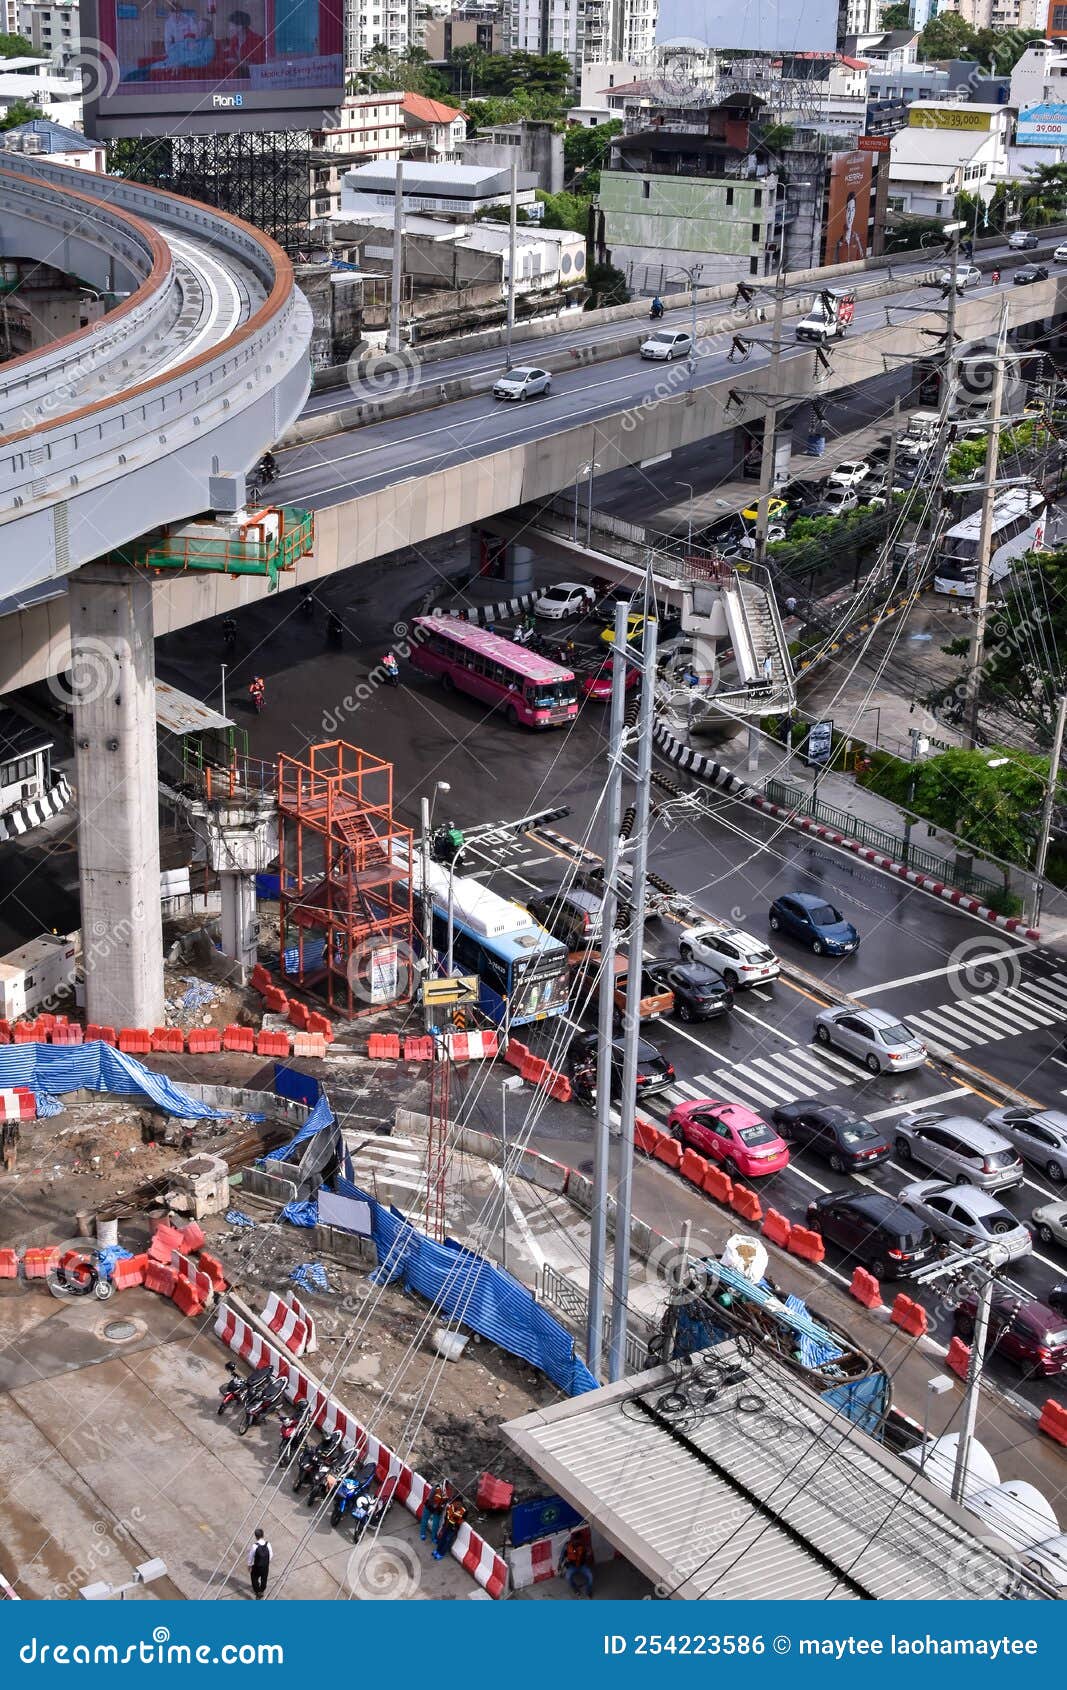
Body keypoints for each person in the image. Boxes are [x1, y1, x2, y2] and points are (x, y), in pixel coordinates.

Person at [558, 1532, 594, 1597]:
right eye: (575, 1541)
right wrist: (559, 1565)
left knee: (590, 1577)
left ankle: (588, 1591)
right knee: (568, 1577)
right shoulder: (567, 1545)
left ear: (580, 1540)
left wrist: (588, 1554)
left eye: (578, 1541)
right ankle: (576, 1589)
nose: (576, 1542)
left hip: (582, 1565)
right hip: (572, 1566)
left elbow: (587, 1555)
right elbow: (562, 1556)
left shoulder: (584, 1546)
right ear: (572, 1540)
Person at [247, 1528, 271, 1599]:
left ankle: (258, 1592)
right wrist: (267, 1561)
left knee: (254, 1578)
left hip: (257, 1566)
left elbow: (250, 1556)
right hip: (265, 1566)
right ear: (263, 1535)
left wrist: (249, 1565)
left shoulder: (255, 1546)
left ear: (256, 1536)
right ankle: (262, 1590)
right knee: (264, 1579)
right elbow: (271, 1554)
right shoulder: (268, 1544)